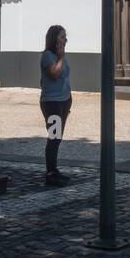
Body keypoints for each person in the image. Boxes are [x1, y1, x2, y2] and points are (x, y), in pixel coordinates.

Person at [39, 25, 72, 186]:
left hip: (63, 102)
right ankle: (50, 173)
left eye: (65, 36)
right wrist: (61, 57)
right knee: (54, 137)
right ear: (54, 39)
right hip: (52, 103)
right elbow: (54, 74)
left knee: (57, 138)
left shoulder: (59, 56)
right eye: (62, 37)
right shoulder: (48, 56)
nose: (66, 40)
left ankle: (54, 170)